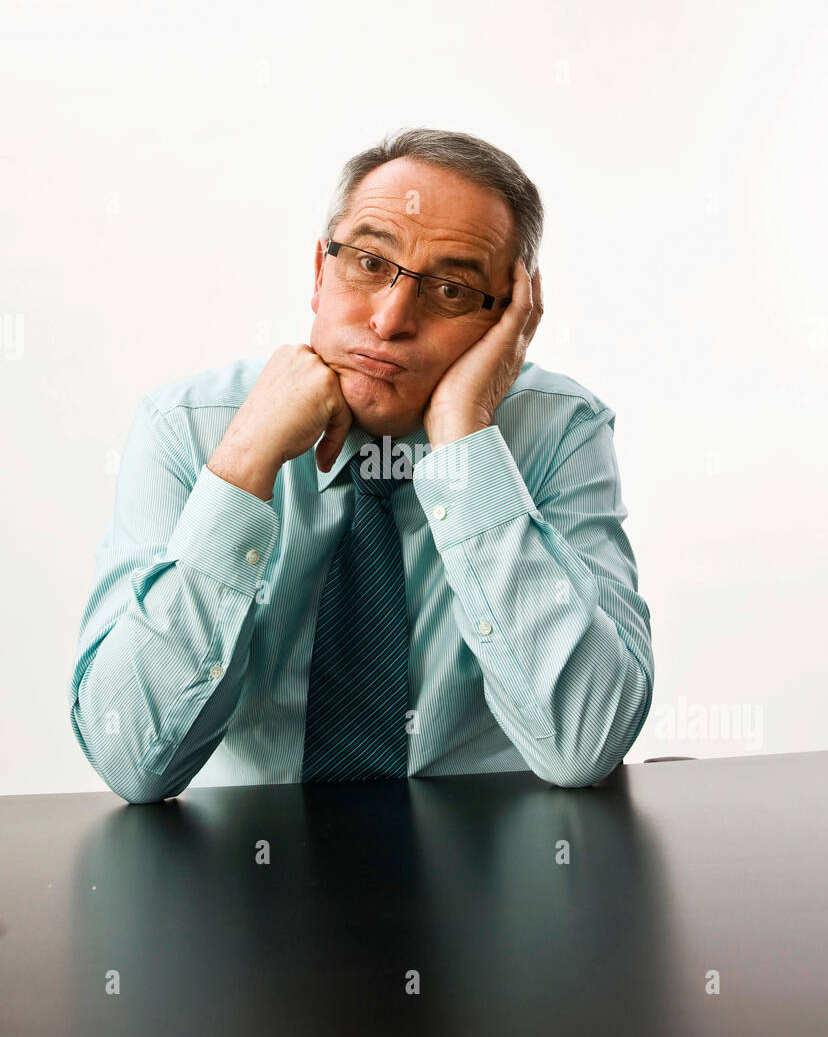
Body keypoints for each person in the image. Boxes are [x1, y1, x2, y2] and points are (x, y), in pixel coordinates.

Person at [68, 127, 654, 802]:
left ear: (509, 324)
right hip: (245, 851)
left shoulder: (560, 430)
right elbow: (129, 761)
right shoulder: (187, 427)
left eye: (452, 290)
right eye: (370, 263)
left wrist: (466, 439)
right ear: (320, 272)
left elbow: (586, 746)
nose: (390, 318)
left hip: (488, 848)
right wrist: (243, 462)